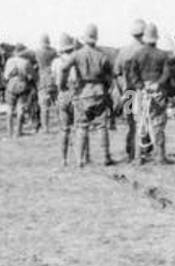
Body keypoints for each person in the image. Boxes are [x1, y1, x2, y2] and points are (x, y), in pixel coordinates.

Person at [57, 23, 115, 166]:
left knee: (82, 126)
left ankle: (79, 160)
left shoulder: (77, 54)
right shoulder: (103, 56)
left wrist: (62, 84)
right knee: (102, 126)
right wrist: (105, 88)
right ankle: (105, 157)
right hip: (99, 91)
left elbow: (64, 68)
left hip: (83, 92)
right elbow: (110, 76)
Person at [123, 23, 170, 163]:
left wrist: (141, 86)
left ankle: (138, 157)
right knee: (158, 123)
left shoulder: (137, 55)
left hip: (141, 92)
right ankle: (160, 156)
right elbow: (167, 73)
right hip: (158, 92)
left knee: (140, 124)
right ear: (156, 38)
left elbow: (132, 74)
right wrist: (158, 84)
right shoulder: (163, 55)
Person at [113, 19, 147, 161]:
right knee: (142, 121)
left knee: (130, 123)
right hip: (143, 92)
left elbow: (116, 73)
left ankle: (131, 151)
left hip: (128, 92)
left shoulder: (123, 51)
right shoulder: (147, 50)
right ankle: (140, 152)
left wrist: (121, 90)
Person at [52, 34, 78, 162]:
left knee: (64, 129)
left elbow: (54, 79)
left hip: (62, 94)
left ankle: (64, 159)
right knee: (80, 128)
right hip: (76, 94)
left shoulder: (56, 62)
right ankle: (82, 158)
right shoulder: (77, 59)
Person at [2, 47, 33, 137]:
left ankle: (9, 132)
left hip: (11, 85)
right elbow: (31, 76)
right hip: (22, 85)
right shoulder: (26, 62)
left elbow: (6, 76)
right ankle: (18, 131)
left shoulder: (9, 61)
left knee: (10, 109)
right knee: (21, 109)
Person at [32, 34, 57, 133]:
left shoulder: (37, 52)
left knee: (44, 107)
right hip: (53, 79)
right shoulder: (54, 52)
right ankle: (63, 124)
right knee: (58, 105)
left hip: (42, 80)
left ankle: (45, 128)